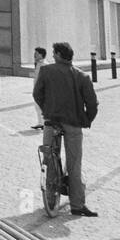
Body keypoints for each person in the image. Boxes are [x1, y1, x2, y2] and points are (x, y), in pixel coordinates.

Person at [33, 41, 100, 216]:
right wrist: (85, 120)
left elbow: (37, 94)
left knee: (48, 158)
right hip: (73, 124)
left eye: (55, 53)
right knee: (74, 164)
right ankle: (77, 205)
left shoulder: (47, 71)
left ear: (60, 55)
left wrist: (47, 110)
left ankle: (50, 199)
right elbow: (92, 104)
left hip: (51, 121)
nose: (53, 56)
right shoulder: (82, 76)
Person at [31, 47, 48, 130]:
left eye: (36, 53)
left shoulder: (44, 64)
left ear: (41, 55)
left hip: (41, 89)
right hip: (37, 87)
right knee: (37, 106)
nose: (34, 55)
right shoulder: (38, 63)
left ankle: (45, 123)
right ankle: (41, 123)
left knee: (41, 106)